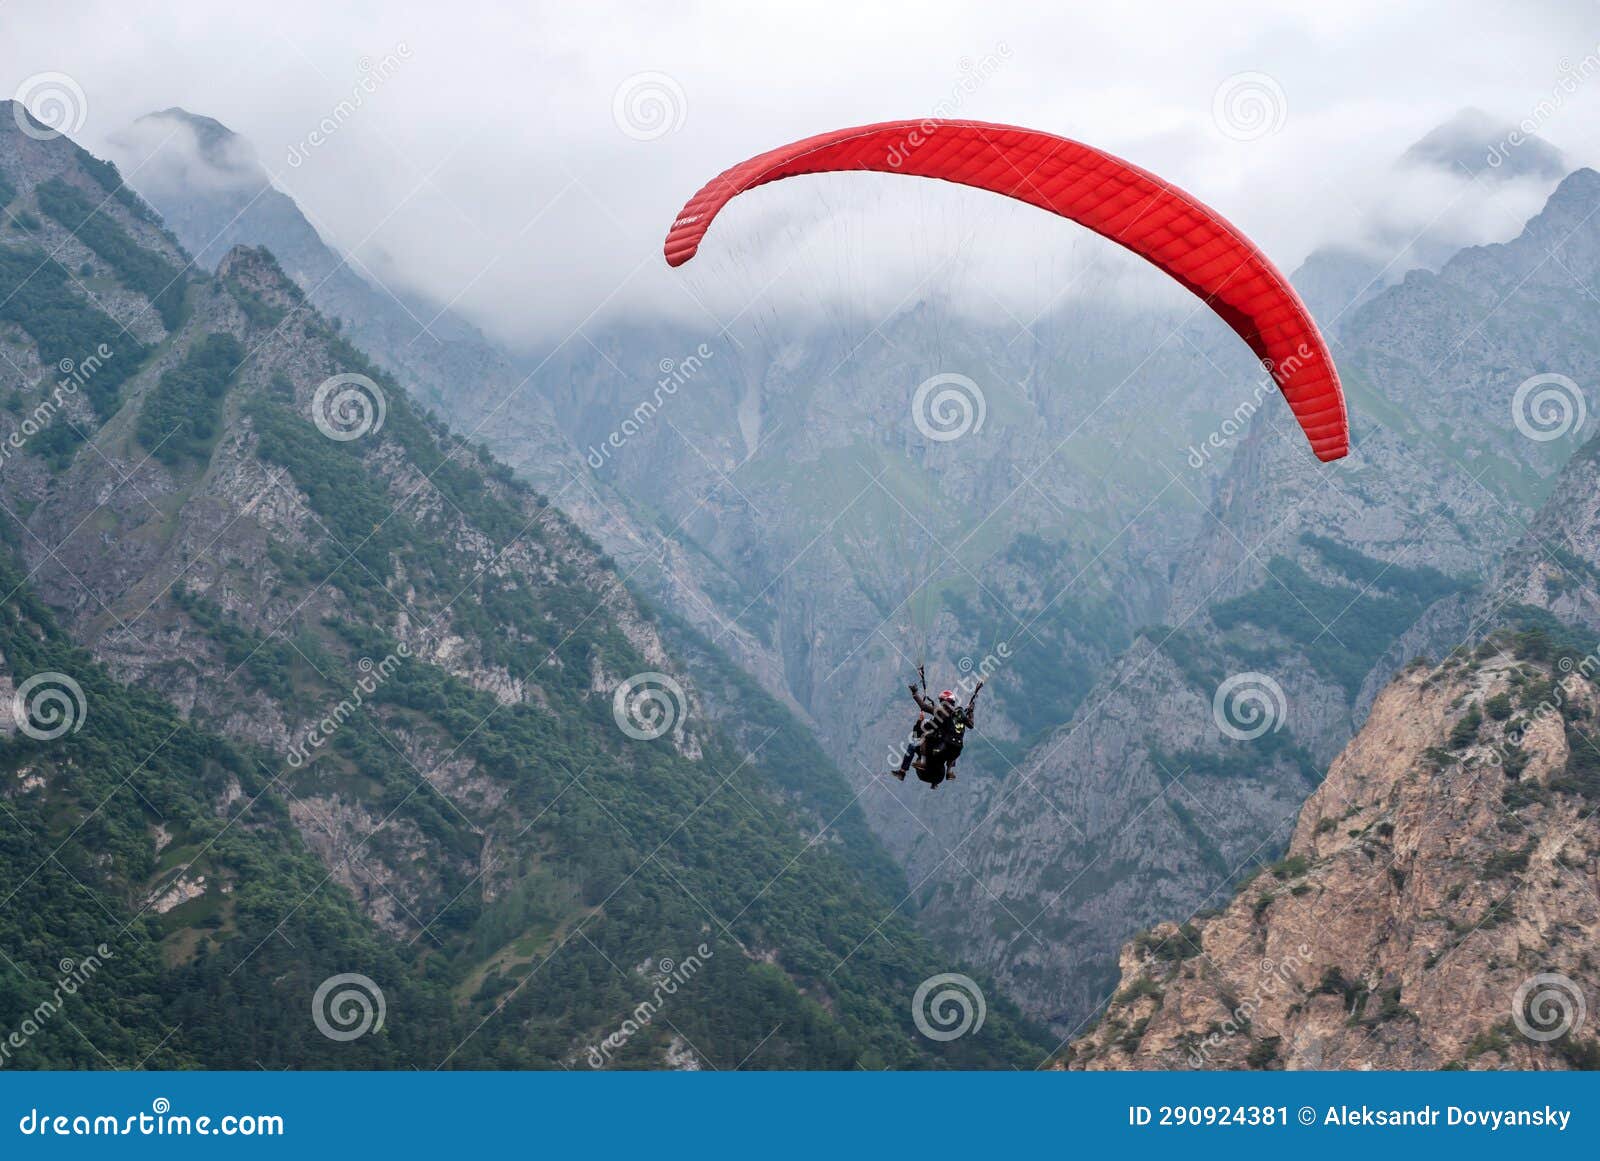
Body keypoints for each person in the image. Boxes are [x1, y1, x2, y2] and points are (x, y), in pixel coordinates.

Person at [891, 669, 982, 787]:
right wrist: (971, 711)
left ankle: (904, 771)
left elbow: (923, 706)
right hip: (954, 751)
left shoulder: (942, 712)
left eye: (941, 701)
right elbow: (970, 724)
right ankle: (946, 774)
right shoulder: (958, 717)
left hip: (940, 747)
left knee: (914, 743)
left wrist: (914, 694)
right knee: (948, 747)